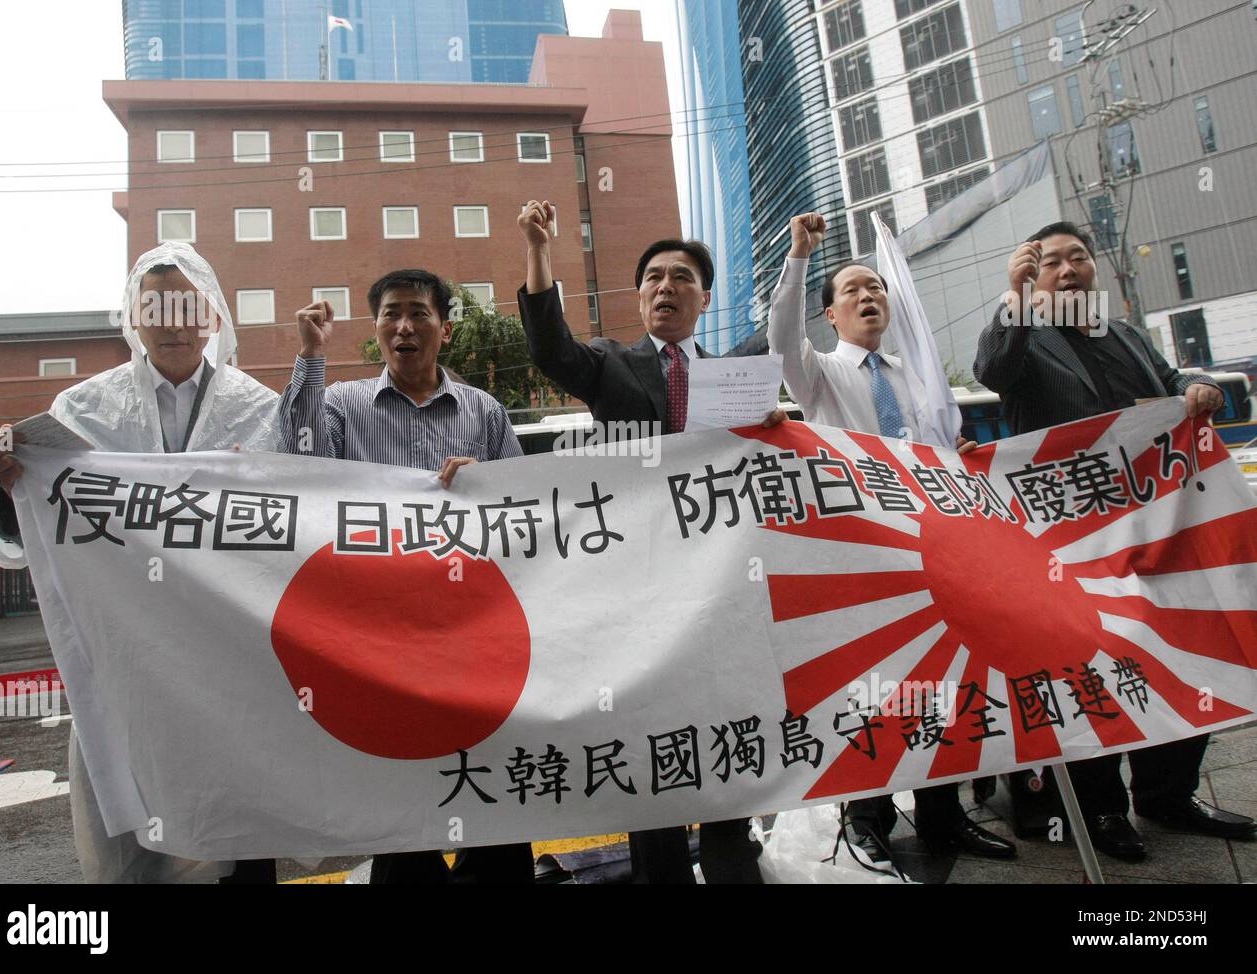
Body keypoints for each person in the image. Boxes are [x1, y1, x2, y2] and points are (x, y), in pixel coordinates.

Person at [0, 241, 280, 883]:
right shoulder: (80, 412)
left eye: (186, 305)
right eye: (154, 306)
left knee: (242, 831)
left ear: (213, 317)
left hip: (226, 653)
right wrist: (9, 491)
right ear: (132, 319)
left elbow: (295, 519)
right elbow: (24, 532)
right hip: (121, 657)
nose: (171, 321)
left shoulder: (260, 411)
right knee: (132, 843)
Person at [974, 220, 1256, 860]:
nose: (1069, 269)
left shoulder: (1122, 333)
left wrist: (1193, 388)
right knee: (1095, 666)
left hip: (1160, 529)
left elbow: (1169, 376)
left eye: (1080, 257)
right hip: (1074, 542)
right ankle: (1103, 811)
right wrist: (1013, 296)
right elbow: (992, 368)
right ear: (1034, 276)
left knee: (1185, 648)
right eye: (1052, 262)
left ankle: (1168, 794)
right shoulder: (1025, 339)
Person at [517, 198, 775, 884]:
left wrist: (771, 426)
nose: (666, 286)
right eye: (654, 277)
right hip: (639, 589)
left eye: (681, 277)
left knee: (725, 730)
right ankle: (659, 873)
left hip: (723, 587)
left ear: (704, 298)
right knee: (652, 737)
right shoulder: (610, 364)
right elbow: (550, 350)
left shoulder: (737, 378)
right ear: (639, 296)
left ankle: (730, 859)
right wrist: (542, 254)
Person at [768, 212, 1016, 865]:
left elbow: (943, 446)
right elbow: (780, 337)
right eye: (852, 290)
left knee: (944, 683)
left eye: (876, 286)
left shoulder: (922, 378)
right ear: (830, 315)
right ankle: (868, 818)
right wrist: (797, 256)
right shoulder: (820, 375)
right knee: (876, 691)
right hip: (865, 557)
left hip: (936, 550)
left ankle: (943, 815)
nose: (868, 296)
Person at [277, 267, 532, 884]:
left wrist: (488, 485)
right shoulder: (343, 403)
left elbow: (527, 518)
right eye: (391, 313)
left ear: (444, 327)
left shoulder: (485, 412)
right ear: (376, 330)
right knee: (402, 807)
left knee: (489, 799)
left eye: (419, 312)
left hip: (473, 634)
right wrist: (311, 357)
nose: (404, 326)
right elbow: (298, 463)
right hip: (381, 639)